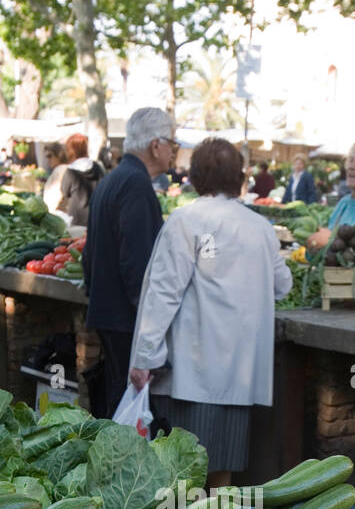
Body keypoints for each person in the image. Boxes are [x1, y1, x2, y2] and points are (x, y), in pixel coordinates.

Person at [129, 137, 292, 485]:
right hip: (240, 374)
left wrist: (144, 358)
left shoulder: (186, 221)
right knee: (221, 472)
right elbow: (283, 285)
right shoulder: (261, 228)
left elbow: (163, 293)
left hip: (193, 372)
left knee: (180, 474)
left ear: (195, 176)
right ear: (240, 177)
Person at [82, 106, 175, 416]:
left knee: (116, 408)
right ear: (155, 145)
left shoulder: (112, 180)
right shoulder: (135, 185)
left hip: (108, 313)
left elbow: (89, 257)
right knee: (125, 414)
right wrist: (150, 325)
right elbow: (138, 266)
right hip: (125, 320)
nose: (173, 151)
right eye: (171, 143)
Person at [44, 134, 104, 224]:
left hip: (76, 218)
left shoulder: (70, 171)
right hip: (95, 215)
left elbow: (64, 192)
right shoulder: (97, 168)